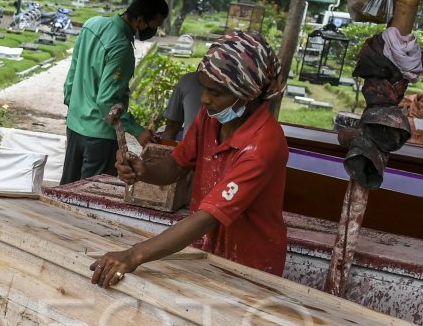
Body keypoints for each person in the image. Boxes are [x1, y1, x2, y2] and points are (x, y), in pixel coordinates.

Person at [90, 30, 289, 287]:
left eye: (216, 92)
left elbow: (208, 217)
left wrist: (132, 256)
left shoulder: (264, 143)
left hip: (250, 264)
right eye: (203, 87)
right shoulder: (210, 118)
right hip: (206, 252)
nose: (205, 99)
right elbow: (176, 165)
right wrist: (144, 170)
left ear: (247, 93)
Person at [60, 0, 169, 184]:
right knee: (90, 195)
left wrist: (74, 108)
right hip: (98, 135)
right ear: (141, 20)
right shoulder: (122, 48)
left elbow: (72, 74)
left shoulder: (92, 24)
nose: (154, 30)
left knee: (67, 187)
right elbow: (107, 101)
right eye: (154, 25)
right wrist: (137, 130)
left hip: (75, 125)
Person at [159, 69, 204, 143]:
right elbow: (172, 127)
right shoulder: (189, 80)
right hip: (189, 149)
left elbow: (172, 127)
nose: (205, 98)